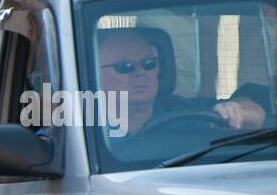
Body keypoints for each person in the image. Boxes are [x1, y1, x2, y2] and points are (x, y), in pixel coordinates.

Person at [97, 28, 268, 142]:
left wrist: (236, 110)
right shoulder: (81, 130)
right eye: (125, 67)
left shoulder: (186, 114)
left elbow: (257, 117)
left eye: (149, 63)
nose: (141, 72)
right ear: (95, 73)